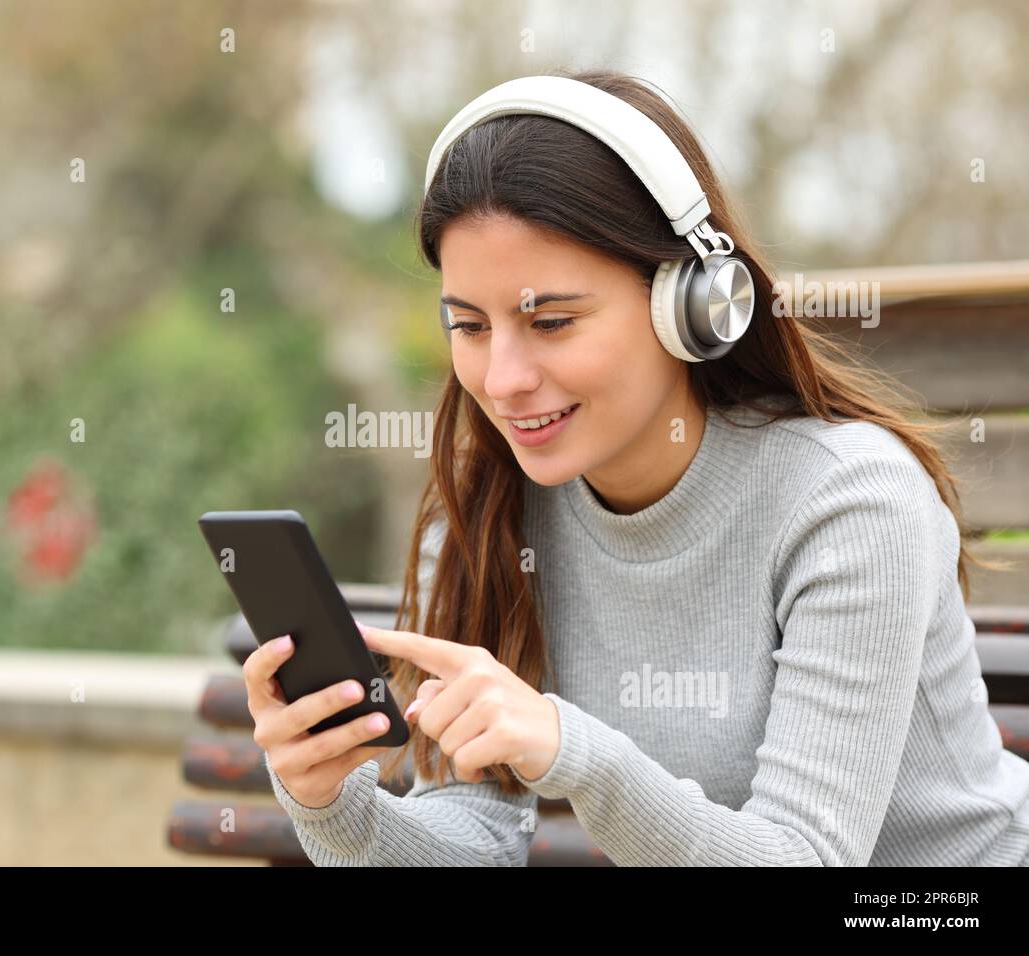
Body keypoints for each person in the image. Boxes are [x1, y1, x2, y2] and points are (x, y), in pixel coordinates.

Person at [245, 67, 1029, 866]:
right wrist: (334, 806)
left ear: (691, 303)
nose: (504, 379)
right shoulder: (487, 511)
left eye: (550, 321)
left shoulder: (849, 501)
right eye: (470, 327)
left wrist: (574, 751)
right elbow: (475, 840)